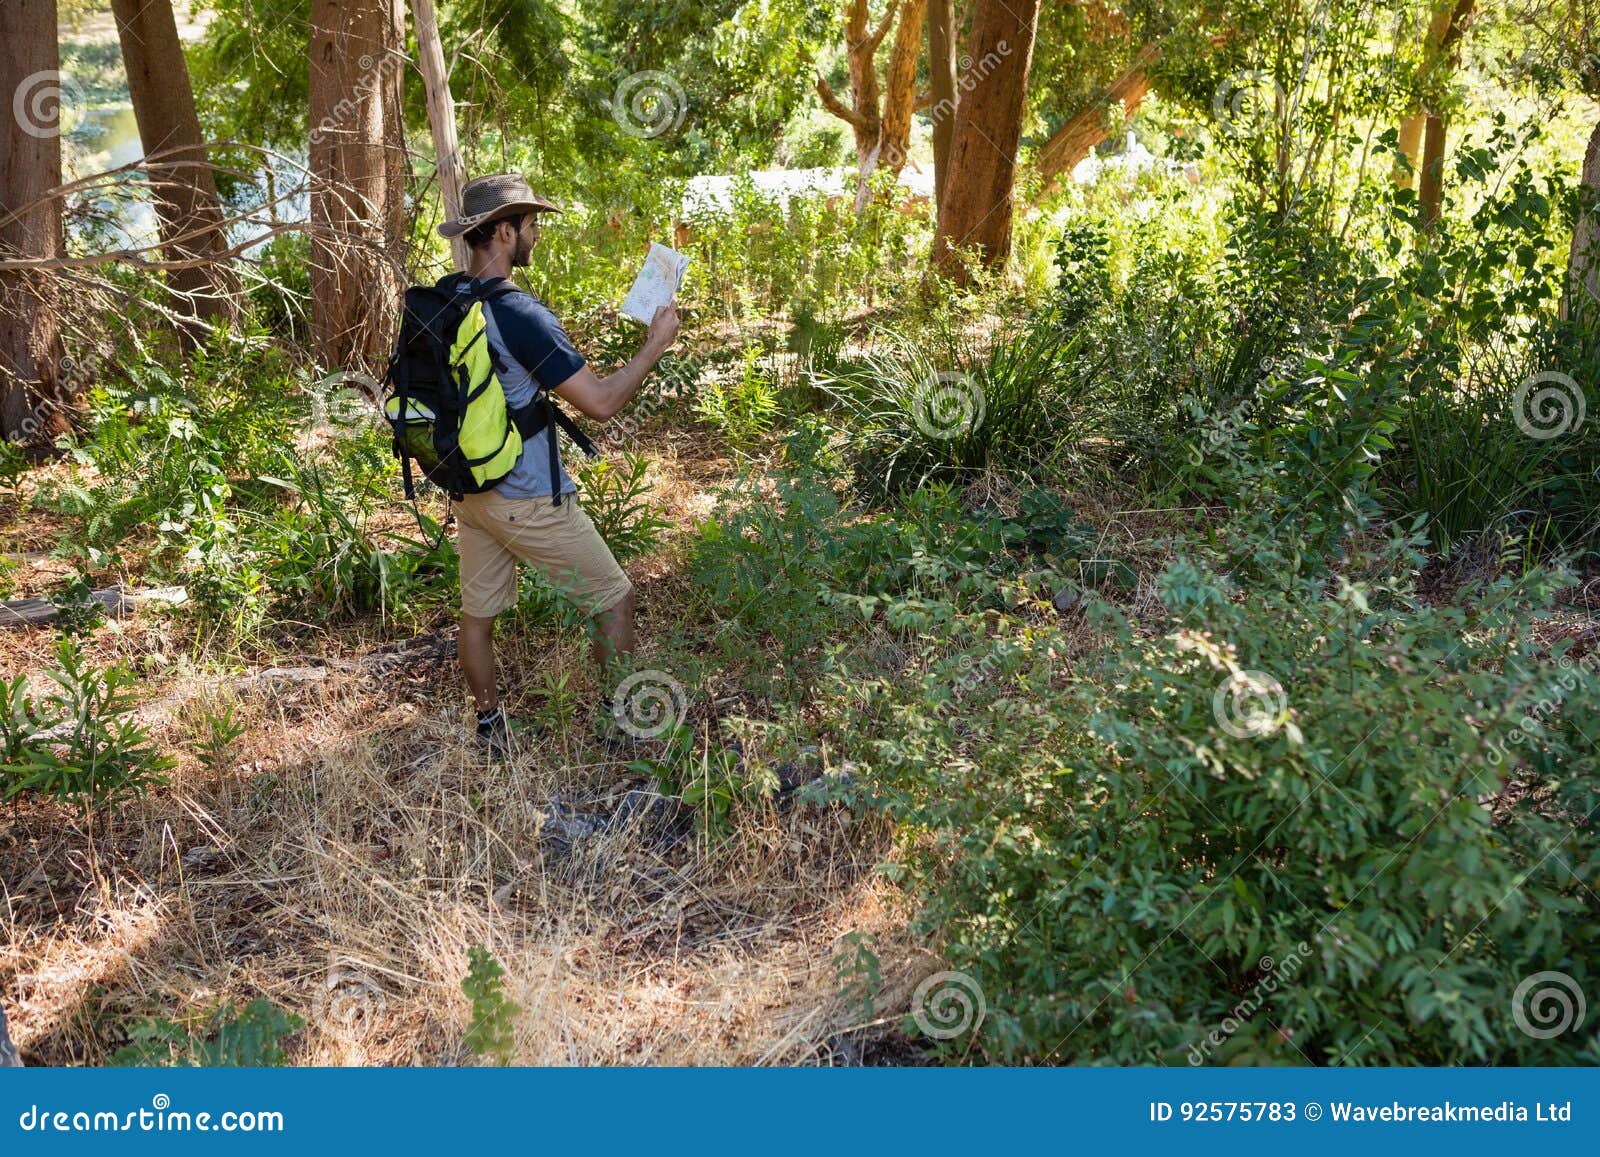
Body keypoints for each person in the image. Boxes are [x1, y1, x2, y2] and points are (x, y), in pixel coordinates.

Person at [435, 173, 680, 754]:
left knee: (478, 614)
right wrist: (655, 345)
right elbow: (600, 403)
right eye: (529, 223)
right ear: (501, 231)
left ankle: (490, 727)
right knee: (613, 598)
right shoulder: (519, 313)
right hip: (524, 495)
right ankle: (618, 724)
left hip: (469, 490)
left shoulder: (447, 298)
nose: (536, 234)